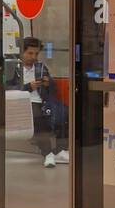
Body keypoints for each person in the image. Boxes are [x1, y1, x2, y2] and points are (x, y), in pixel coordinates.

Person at [5, 36, 69, 167]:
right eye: (30, 53)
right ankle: (48, 153)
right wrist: (28, 87)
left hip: (43, 101)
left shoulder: (40, 67)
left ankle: (59, 150)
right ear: (22, 52)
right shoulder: (13, 67)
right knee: (38, 115)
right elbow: (7, 88)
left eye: (36, 54)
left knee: (65, 113)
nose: (33, 57)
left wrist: (47, 83)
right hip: (23, 103)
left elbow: (52, 87)